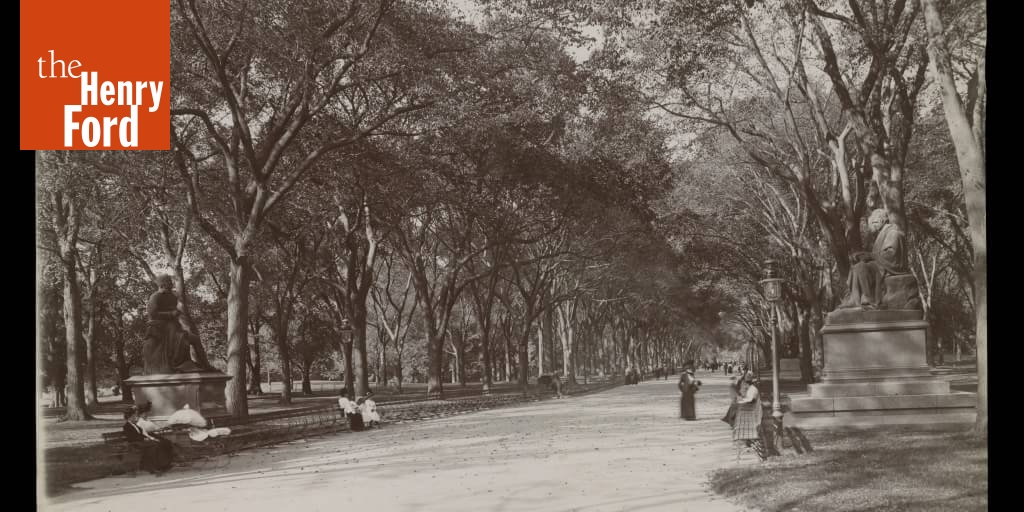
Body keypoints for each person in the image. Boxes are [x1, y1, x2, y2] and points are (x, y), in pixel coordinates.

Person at [840, 209, 910, 309]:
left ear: (884, 220)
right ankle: (854, 300)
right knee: (856, 267)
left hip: (890, 267)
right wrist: (864, 255)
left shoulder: (893, 233)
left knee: (861, 267)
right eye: (872, 223)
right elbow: (876, 255)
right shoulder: (882, 234)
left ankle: (869, 301)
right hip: (879, 264)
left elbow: (891, 255)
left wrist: (870, 256)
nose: (874, 225)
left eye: (875, 222)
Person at [143, 274, 210, 374]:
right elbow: (152, 314)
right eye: (168, 283)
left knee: (195, 339)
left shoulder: (173, 297)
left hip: (174, 326)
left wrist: (176, 313)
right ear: (162, 285)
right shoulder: (155, 297)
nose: (171, 284)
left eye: (171, 283)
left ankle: (206, 366)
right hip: (160, 327)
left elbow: (174, 311)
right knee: (180, 337)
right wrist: (171, 314)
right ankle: (175, 362)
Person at [123, 405, 174, 474]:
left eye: (134, 416)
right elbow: (131, 438)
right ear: (129, 417)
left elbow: (142, 433)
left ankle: (162, 465)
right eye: (133, 416)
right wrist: (144, 439)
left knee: (156, 444)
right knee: (154, 445)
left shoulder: (135, 425)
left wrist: (148, 438)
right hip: (135, 443)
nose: (135, 417)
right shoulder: (127, 426)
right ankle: (153, 467)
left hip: (141, 441)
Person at [732, 371, 767, 462]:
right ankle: (747, 443)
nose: (743, 385)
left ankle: (747, 442)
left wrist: (741, 402)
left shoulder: (753, 389)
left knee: (734, 415)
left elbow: (750, 401)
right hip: (752, 412)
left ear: (747, 383)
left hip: (755, 415)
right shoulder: (751, 389)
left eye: (744, 383)